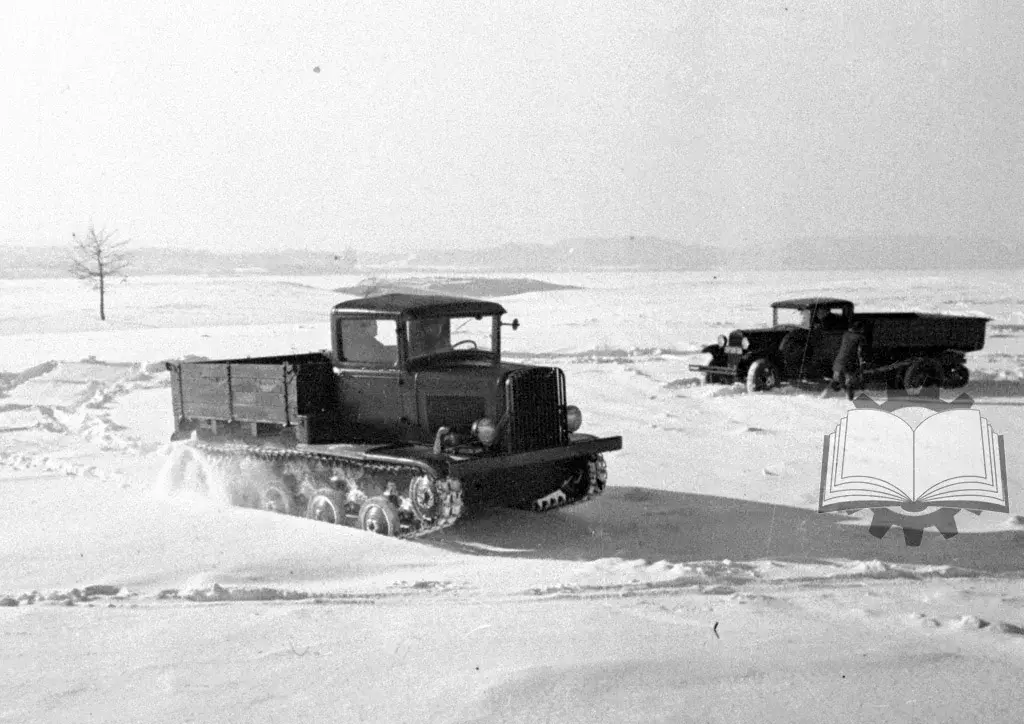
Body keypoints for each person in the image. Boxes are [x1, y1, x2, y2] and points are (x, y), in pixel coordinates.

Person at [821, 321, 866, 400]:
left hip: (838, 361)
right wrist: (862, 363)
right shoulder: (860, 338)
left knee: (836, 380)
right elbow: (860, 352)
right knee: (850, 382)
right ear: (860, 329)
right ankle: (849, 399)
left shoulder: (845, 334)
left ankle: (823, 395)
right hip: (849, 363)